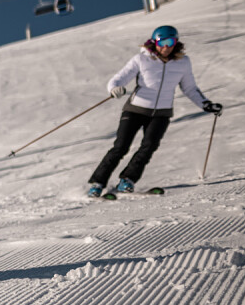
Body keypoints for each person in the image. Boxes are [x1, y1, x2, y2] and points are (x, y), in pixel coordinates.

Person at [87, 25, 222, 197]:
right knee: (120, 147)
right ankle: (97, 183)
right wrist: (114, 88)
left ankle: (127, 180)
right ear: (154, 42)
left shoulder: (183, 62)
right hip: (135, 109)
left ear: (176, 42)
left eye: (171, 42)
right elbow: (119, 78)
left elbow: (190, 88)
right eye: (162, 42)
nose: (166, 46)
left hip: (161, 113)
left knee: (149, 147)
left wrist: (206, 105)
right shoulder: (141, 59)